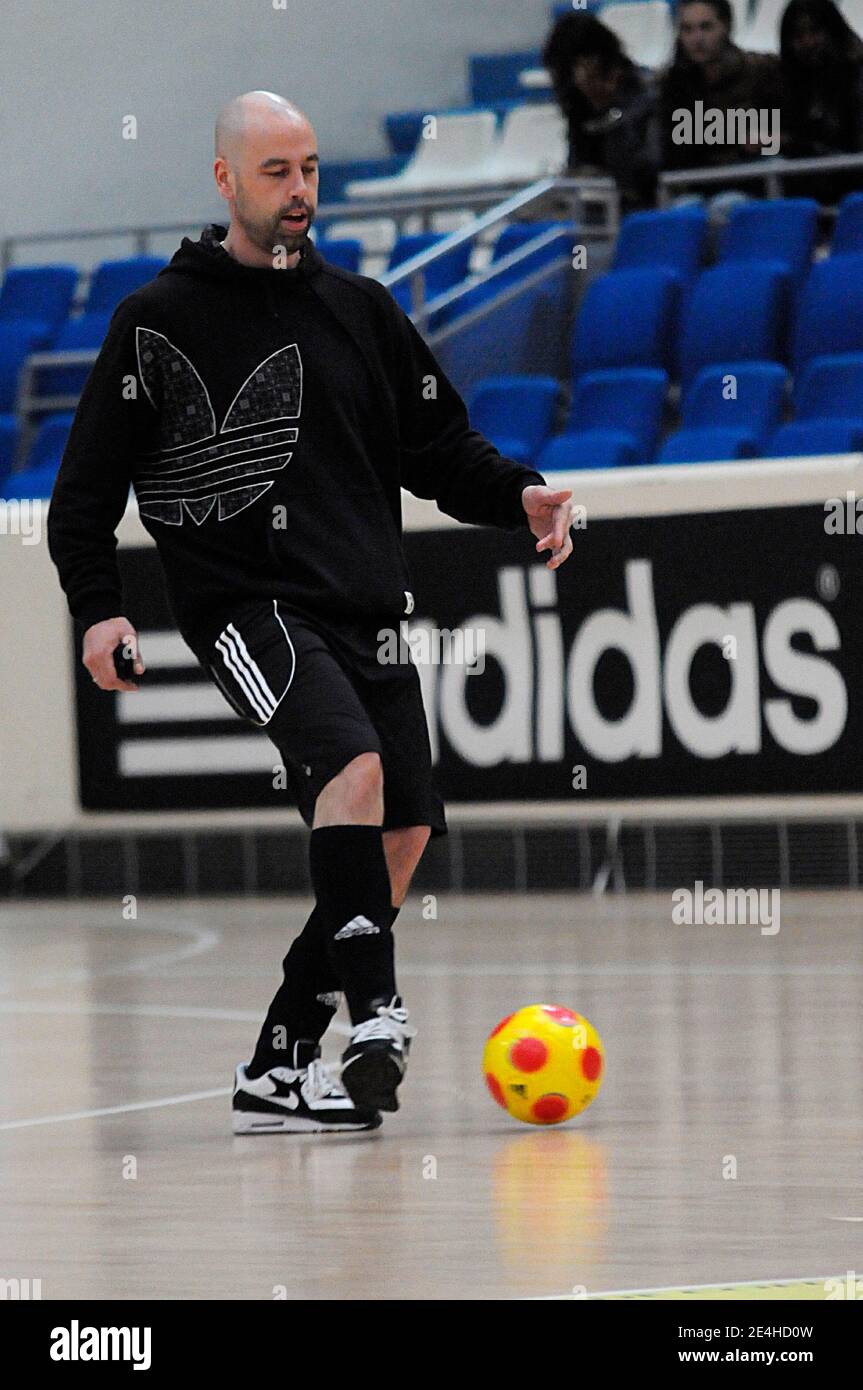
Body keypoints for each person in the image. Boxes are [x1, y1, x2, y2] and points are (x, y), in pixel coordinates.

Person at [47, 92, 576, 1136]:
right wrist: (98, 609)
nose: (300, 192)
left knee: (403, 830)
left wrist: (516, 493)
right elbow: (81, 493)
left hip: (367, 609)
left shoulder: (362, 309)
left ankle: (279, 1063)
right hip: (247, 607)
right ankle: (375, 1016)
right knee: (350, 771)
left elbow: (440, 454)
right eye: (276, 172)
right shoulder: (156, 319)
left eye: (310, 169)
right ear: (225, 180)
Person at [542, 11, 660, 212]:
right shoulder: (580, 111)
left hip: (640, 206)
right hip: (595, 208)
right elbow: (579, 163)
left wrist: (611, 112)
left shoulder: (646, 101)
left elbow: (645, 170)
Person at [659, 0, 782, 173]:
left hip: (753, 175)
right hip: (694, 181)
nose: (697, 39)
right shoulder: (672, 84)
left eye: (706, 27)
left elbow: (781, 135)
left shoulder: (761, 72)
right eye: (687, 29)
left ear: (726, 26)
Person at [779, 0, 863, 201]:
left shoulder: (856, 77)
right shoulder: (791, 82)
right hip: (813, 191)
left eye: (815, 31)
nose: (808, 42)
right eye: (798, 36)